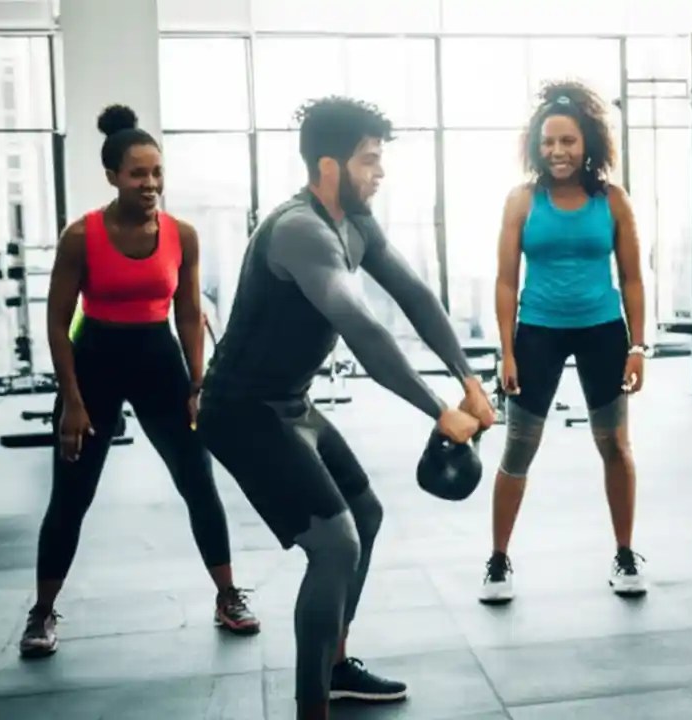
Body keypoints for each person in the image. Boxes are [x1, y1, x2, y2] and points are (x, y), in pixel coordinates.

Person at [195, 96, 495, 720]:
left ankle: (334, 665)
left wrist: (468, 377)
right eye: (368, 161)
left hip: (291, 403)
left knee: (366, 512)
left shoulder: (356, 224)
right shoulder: (299, 229)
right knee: (335, 545)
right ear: (328, 166)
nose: (378, 173)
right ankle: (312, 709)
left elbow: (412, 294)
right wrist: (438, 409)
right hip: (242, 411)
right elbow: (360, 326)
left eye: (380, 160)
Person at [19, 105, 259, 660]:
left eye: (157, 173)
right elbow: (57, 322)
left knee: (198, 479)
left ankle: (227, 596)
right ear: (112, 176)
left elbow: (188, 311)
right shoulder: (81, 236)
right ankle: (42, 611)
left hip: (158, 360)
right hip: (96, 360)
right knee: (72, 495)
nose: (150, 184)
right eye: (137, 174)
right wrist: (72, 402)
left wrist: (197, 385)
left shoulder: (183, 236)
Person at [480, 80, 648, 604]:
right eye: (549, 142)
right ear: (536, 145)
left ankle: (625, 553)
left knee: (614, 445)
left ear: (588, 143)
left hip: (602, 329)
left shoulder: (614, 201)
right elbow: (506, 279)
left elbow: (634, 279)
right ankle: (499, 560)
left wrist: (638, 346)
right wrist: (507, 350)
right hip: (538, 332)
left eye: (569, 141)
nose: (558, 151)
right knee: (519, 448)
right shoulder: (521, 200)